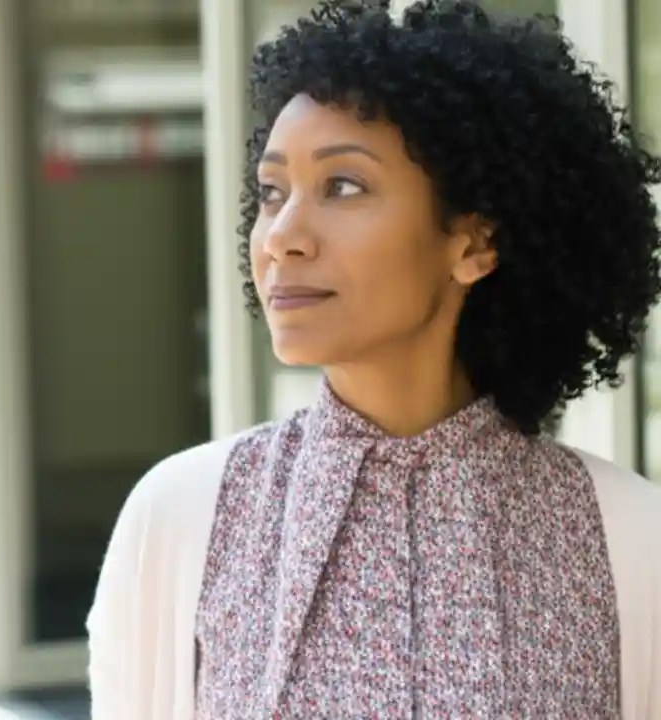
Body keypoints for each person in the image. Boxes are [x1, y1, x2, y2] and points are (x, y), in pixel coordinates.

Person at [85, 1, 661, 717]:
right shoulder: (179, 517)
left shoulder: (629, 536)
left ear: (474, 244)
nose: (282, 237)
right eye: (272, 192)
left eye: (343, 187)